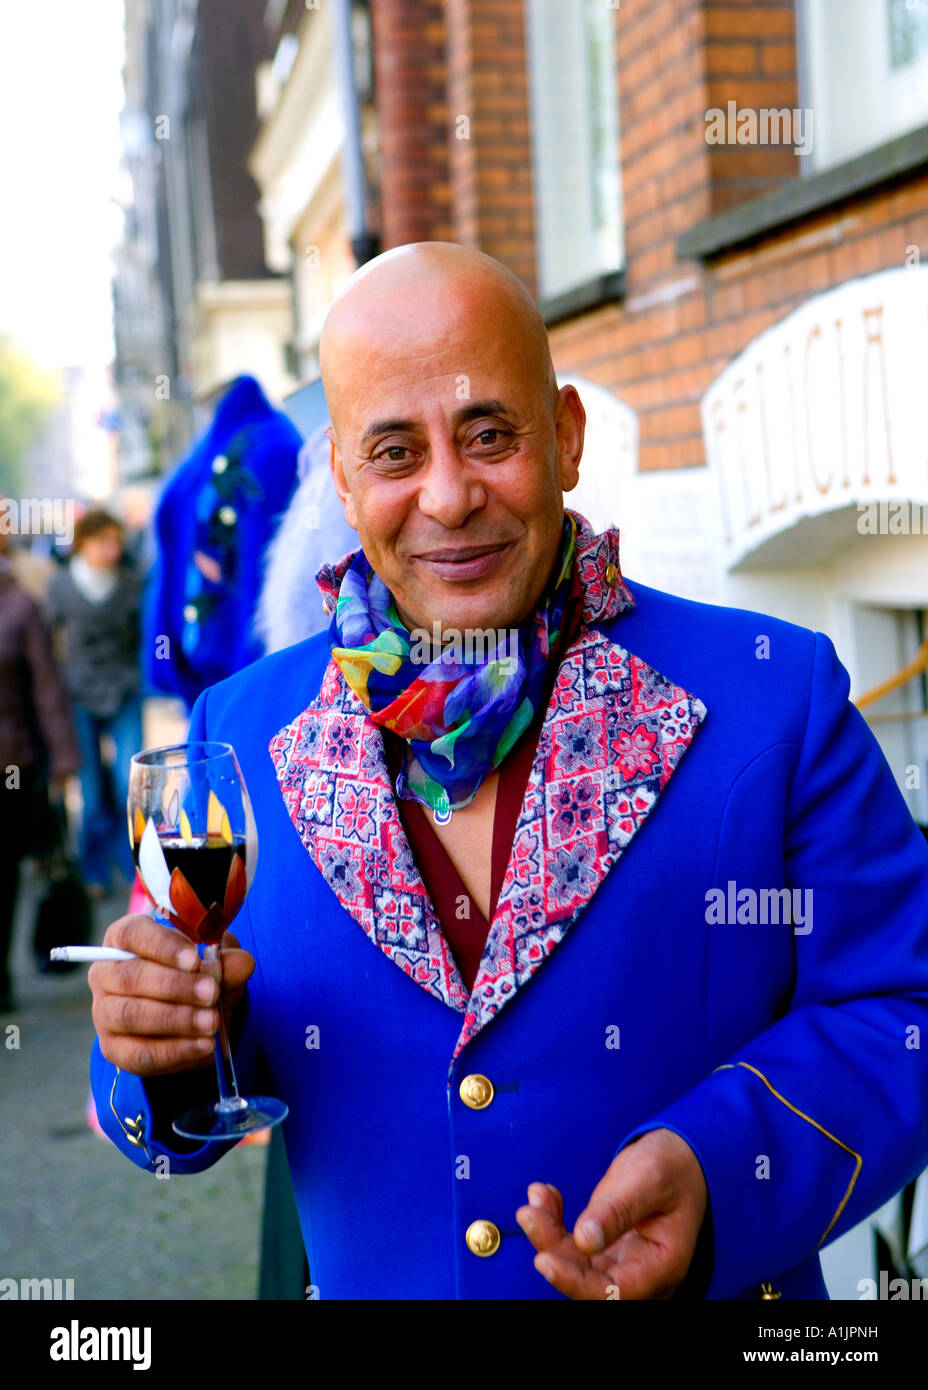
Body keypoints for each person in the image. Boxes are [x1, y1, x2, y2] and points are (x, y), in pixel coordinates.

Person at [87, 242, 928, 1301]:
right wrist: (156, 1051)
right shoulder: (235, 735)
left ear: (566, 436)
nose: (448, 495)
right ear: (342, 479)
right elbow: (158, 1099)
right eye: (394, 453)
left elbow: (903, 1007)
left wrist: (718, 1171)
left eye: (489, 433)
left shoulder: (775, 695)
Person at [0, 528, 81, 1013]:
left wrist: (65, 760)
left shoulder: (20, 606)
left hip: (12, 767)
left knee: (4, 875)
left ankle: (0, 976)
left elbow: (48, 688)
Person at [47, 508, 143, 895]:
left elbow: (144, 638)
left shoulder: (131, 584)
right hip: (78, 696)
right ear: (84, 543)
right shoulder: (61, 588)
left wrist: (145, 672)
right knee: (89, 794)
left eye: (117, 541)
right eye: (105, 541)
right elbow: (47, 642)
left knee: (129, 782)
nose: (113, 549)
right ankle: (94, 870)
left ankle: (131, 865)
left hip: (123, 691)